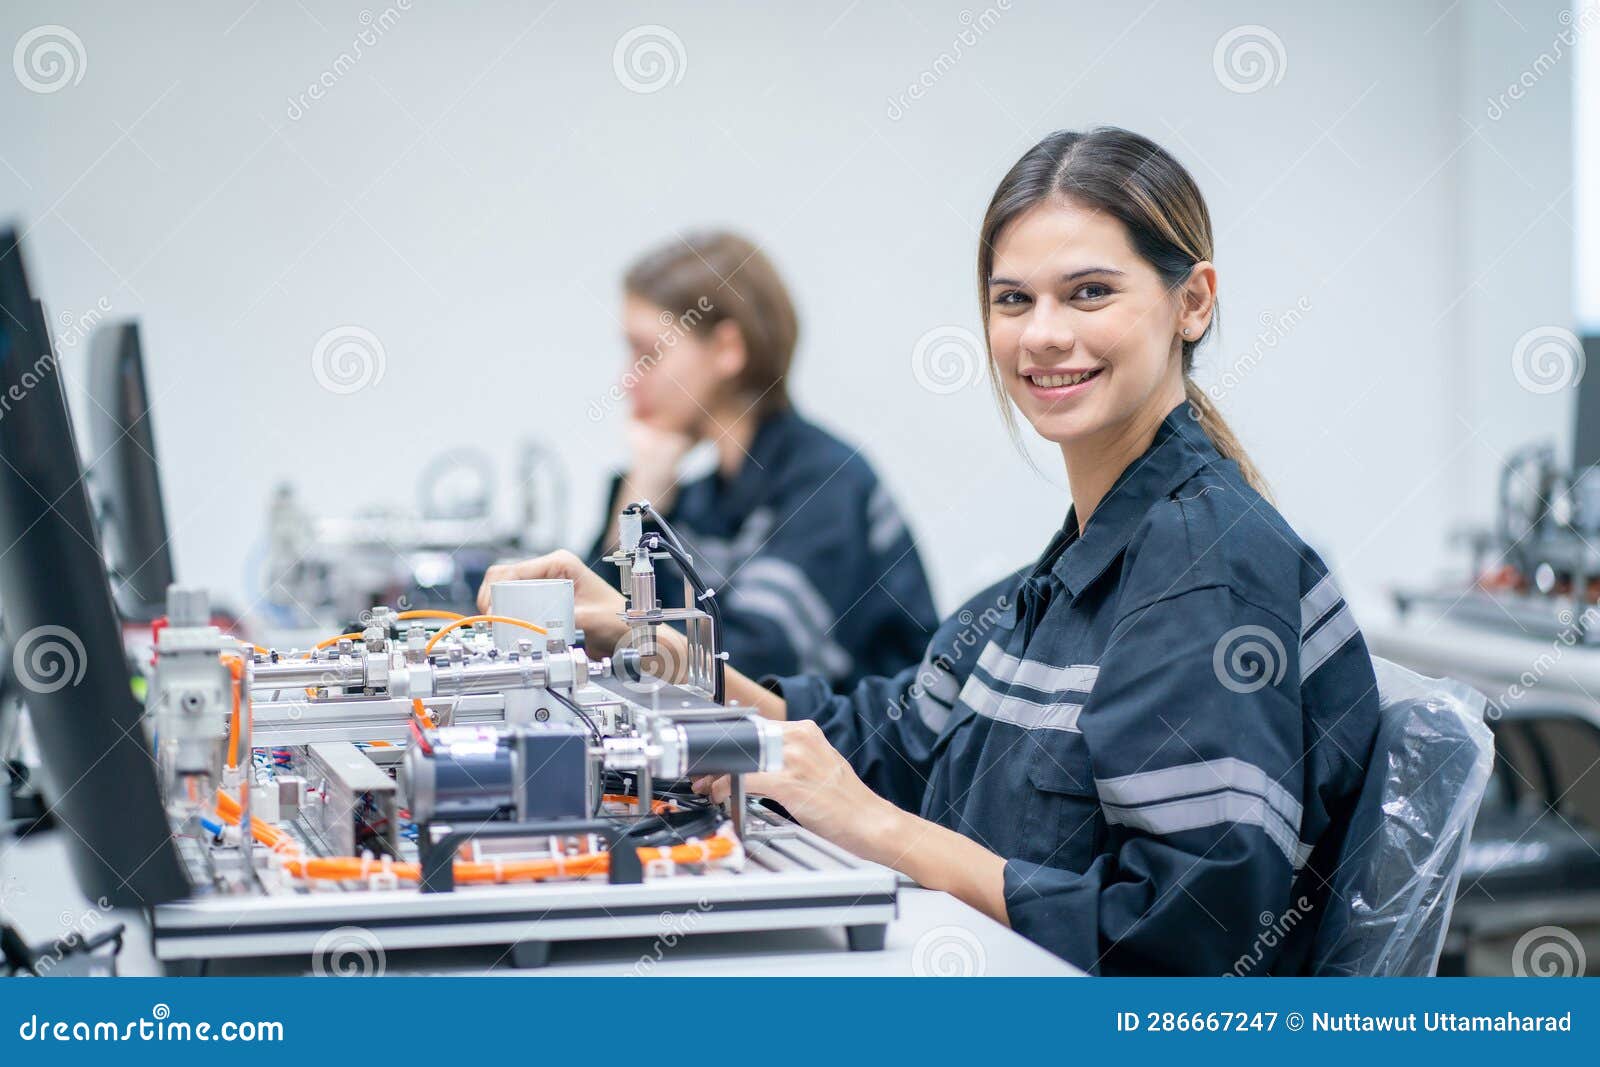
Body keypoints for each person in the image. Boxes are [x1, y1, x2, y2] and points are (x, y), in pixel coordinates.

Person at [481, 130, 1380, 975]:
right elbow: (896, 742)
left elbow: (1184, 941)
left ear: (1193, 301)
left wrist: (877, 829)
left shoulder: (1200, 571)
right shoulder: (1068, 572)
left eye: (1090, 292)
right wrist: (660, 647)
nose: (1043, 334)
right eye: (1013, 299)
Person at [484, 231, 937, 691]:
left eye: (648, 352)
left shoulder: (826, 482)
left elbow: (754, 669)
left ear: (727, 349)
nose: (627, 380)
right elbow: (591, 642)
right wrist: (637, 502)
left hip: (856, 761)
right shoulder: (694, 498)